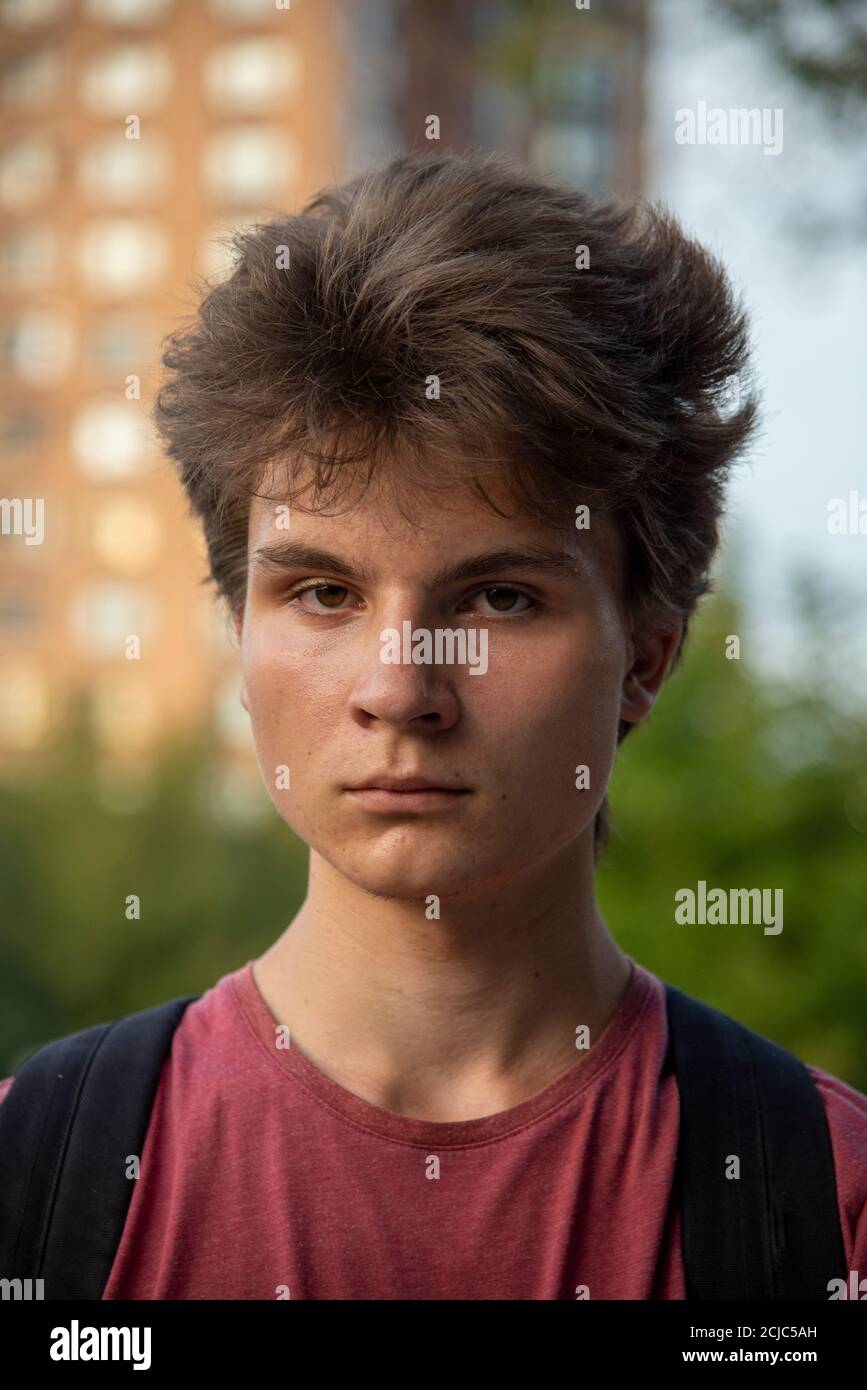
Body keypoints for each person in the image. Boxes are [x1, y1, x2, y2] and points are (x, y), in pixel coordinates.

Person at [2, 151, 865, 1300]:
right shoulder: (33, 1185)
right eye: (322, 593)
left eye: (500, 596)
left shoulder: (826, 1208)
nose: (402, 687)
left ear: (646, 659)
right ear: (241, 634)